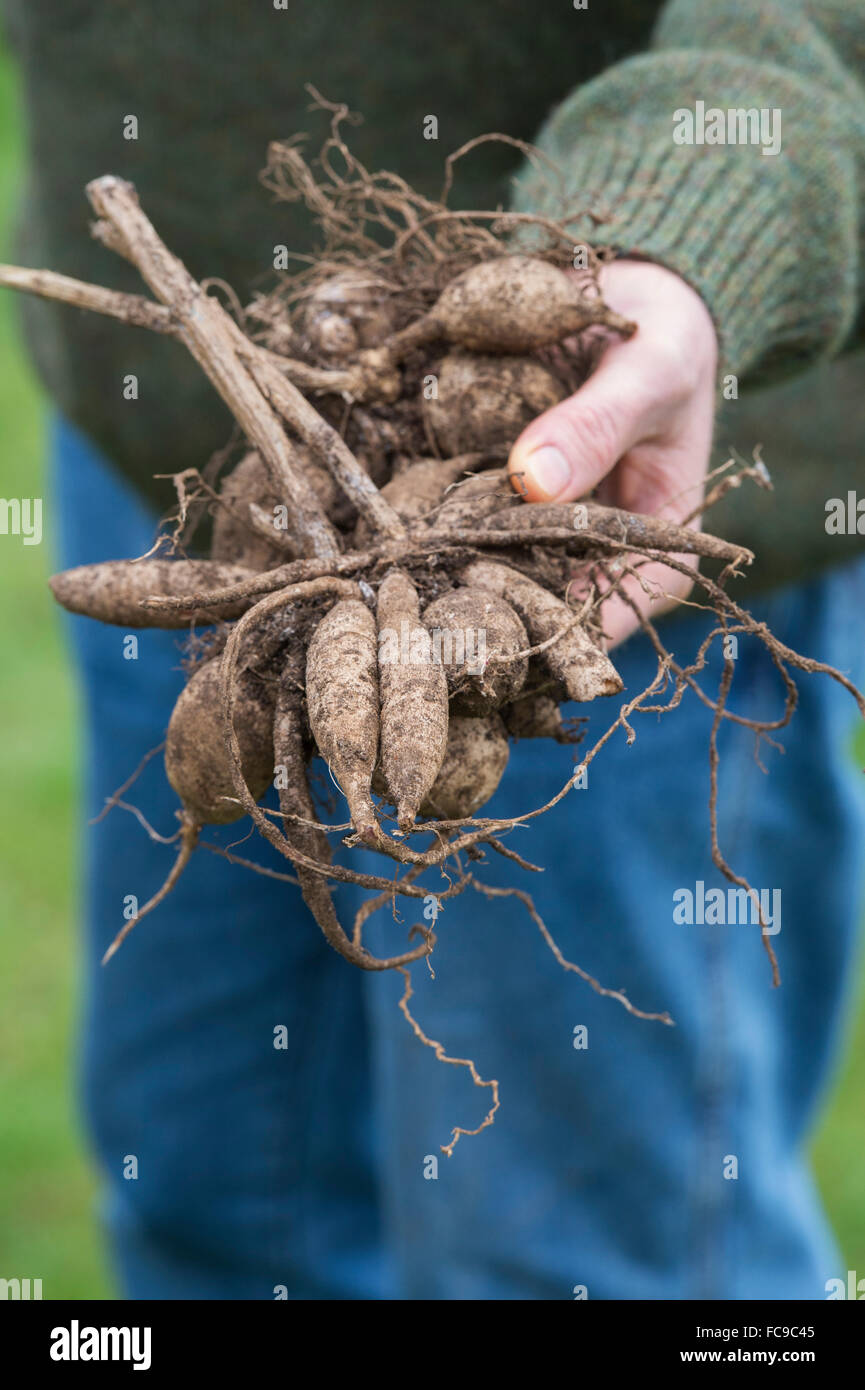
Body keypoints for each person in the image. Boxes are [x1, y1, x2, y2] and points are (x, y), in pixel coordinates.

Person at [4, 0, 865, 1298]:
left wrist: (678, 229)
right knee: (210, 1191)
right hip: (196, 486)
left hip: (597, 532)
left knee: (573, 1253)